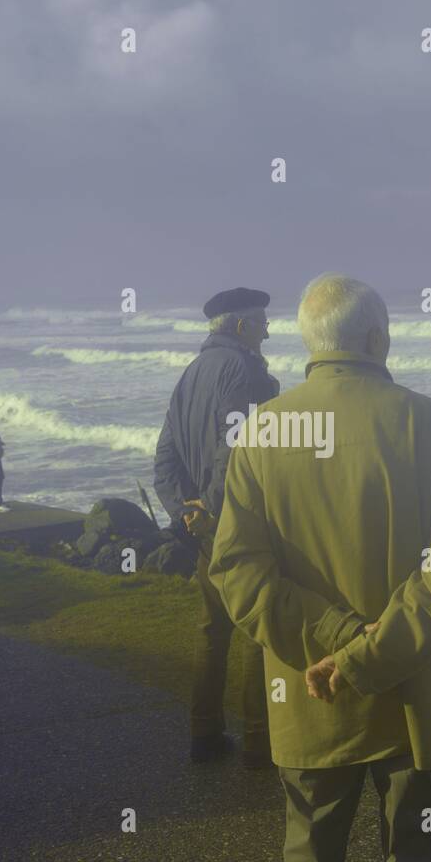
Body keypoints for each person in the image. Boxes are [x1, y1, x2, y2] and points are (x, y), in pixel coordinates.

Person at [208, 273, 431, 862]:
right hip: (414, 702)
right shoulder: (430, 425)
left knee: (310, 854)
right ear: (378, 340)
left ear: (311, 343)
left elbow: (236, 572)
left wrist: (337, 643)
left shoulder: (261, 433)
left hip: (310, 698)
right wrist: (366, 653)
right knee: (417, 854)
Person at [154, 287, 280, 767]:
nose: (269, 330)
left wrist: (181, 510)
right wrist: (209, 508)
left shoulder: (191, 373)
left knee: (211, 630)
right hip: (237, 521)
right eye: (263, 322)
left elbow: (165, 453)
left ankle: (204, 733)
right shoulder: (243, 370)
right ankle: (258, 742)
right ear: (242, 326)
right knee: (255, 630)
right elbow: (234, 447)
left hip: (204, 525)